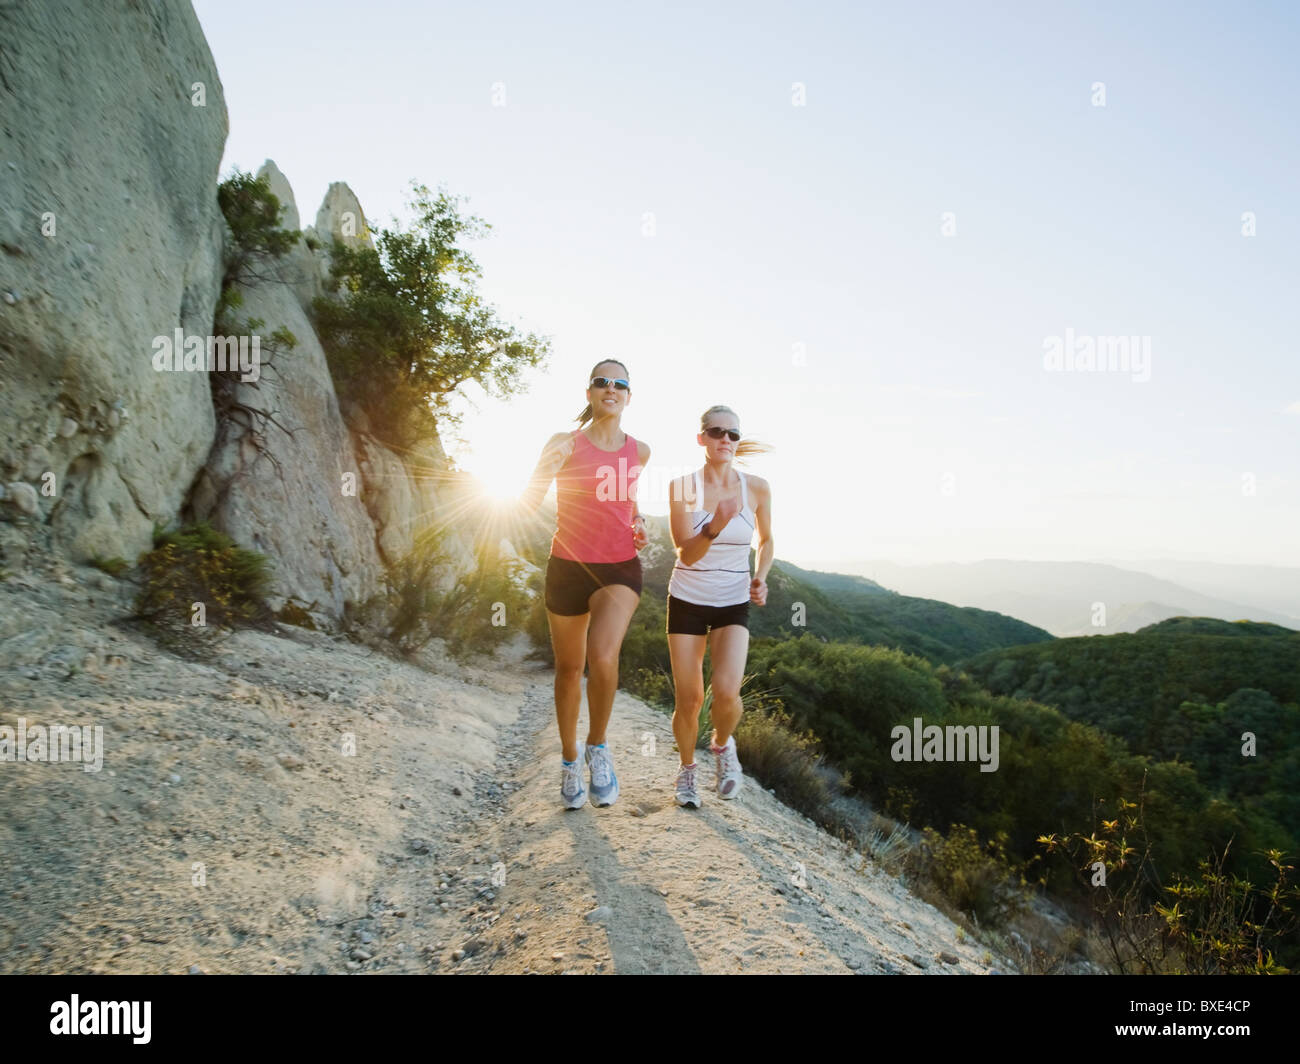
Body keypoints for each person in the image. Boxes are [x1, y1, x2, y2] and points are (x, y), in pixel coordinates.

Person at [520, 360, 650, 809]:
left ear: (629, 396)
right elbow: (528, 503)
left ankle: (598, 747)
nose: (610, 389)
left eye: (620, 384)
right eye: (602, 382)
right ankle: (570, 761)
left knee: (602, 654)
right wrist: (543, 469)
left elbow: (628, 500)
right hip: (567, 566)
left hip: (619, 568)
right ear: (590, 392)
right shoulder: (563, 443)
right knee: (569, 668)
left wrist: (637, 520)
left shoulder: (641, 450)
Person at [666, 405, 773, 807]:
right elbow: (686, 553)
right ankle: (687, 770)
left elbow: (767, 540)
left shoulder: (757, 488)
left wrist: (761, 575)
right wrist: (717, 523)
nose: (725, 440)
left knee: (727, 694)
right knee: (690, 698)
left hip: (733, 601)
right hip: (688, 599)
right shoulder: (682, 487)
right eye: (716, 432)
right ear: (701, 439)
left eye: (733, 434)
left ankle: (723, 747)